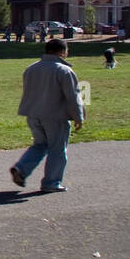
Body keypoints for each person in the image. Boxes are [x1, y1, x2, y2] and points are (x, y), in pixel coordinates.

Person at [10, 38, 85, 192]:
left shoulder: (31, 68)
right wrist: (78, 116)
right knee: (57, 149)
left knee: (40, 145)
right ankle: (51, 182)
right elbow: (73, 96)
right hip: (55, 116)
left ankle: (21, 169)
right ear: (63, 52)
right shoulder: (64, 71)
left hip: (33, 114)